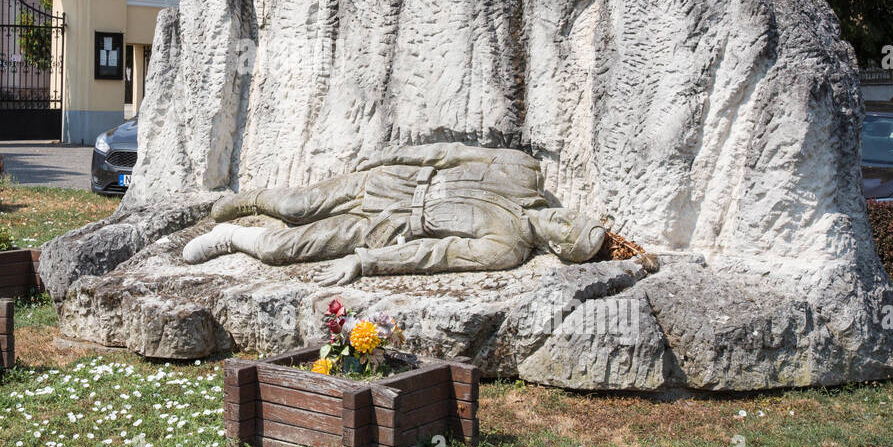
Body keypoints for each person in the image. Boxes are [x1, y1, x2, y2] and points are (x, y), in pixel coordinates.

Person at [181, 142, 608, 285]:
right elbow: (450, 152)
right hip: (394, 181)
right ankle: (252, 201)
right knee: (296, 206)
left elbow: (432, 256)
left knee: (284, 248)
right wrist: (393, 155)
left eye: (566, 230)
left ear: (558, 247)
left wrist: (364, 261)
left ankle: (232, 237)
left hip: (385, 229)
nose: (561, 218)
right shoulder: (523, 169)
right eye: (571, 215)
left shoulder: (505, 249)